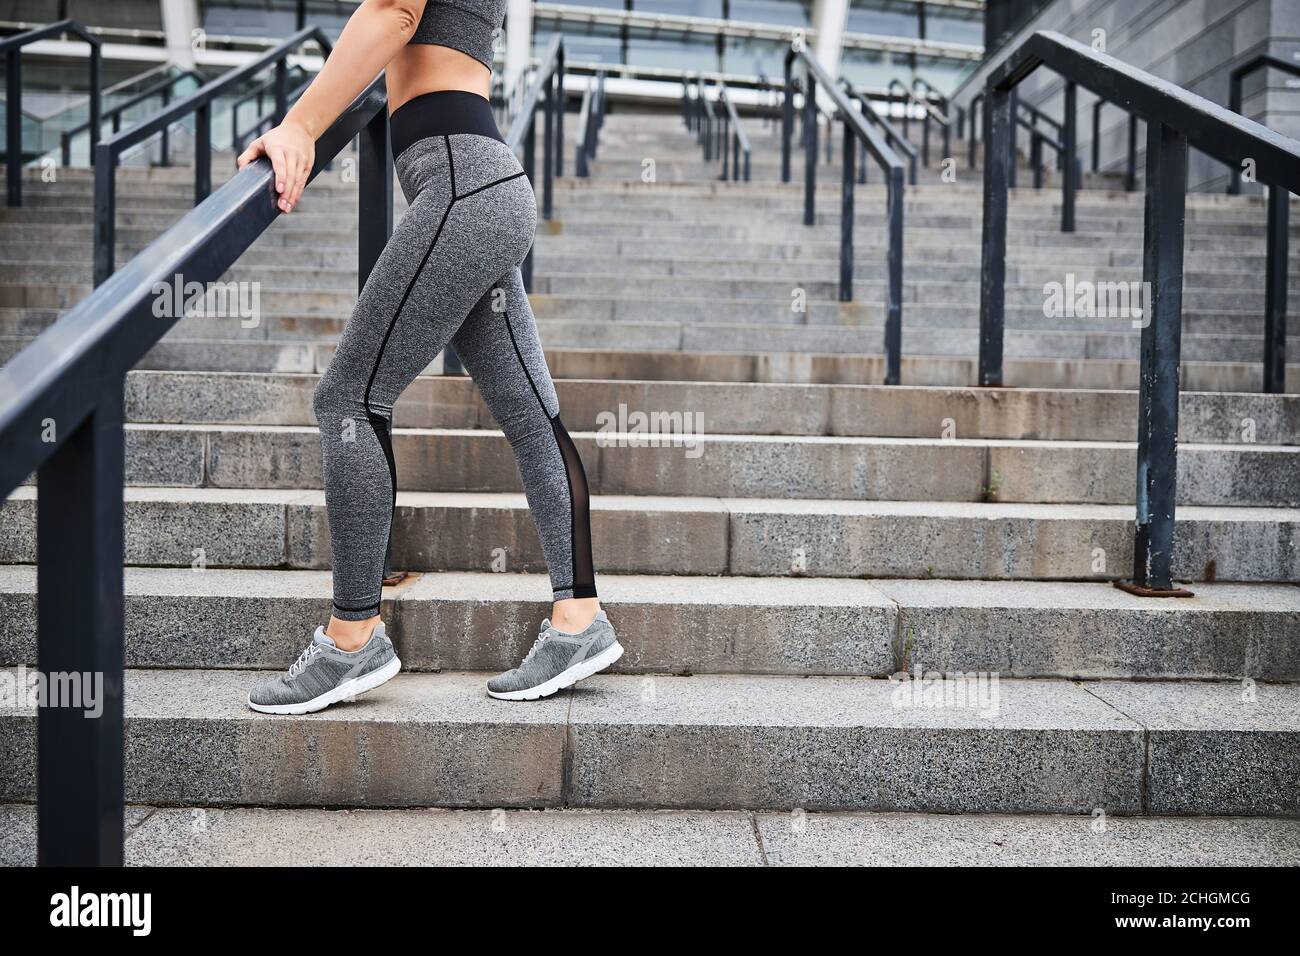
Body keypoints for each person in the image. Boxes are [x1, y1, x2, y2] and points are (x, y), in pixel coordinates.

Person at [238, 0, 621, 714]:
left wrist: (301, 125)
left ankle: (352, 638)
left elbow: (392, 12)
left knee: (348, 398)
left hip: (461, 186)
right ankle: (580, 619)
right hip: (477, 184)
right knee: (533, 415)